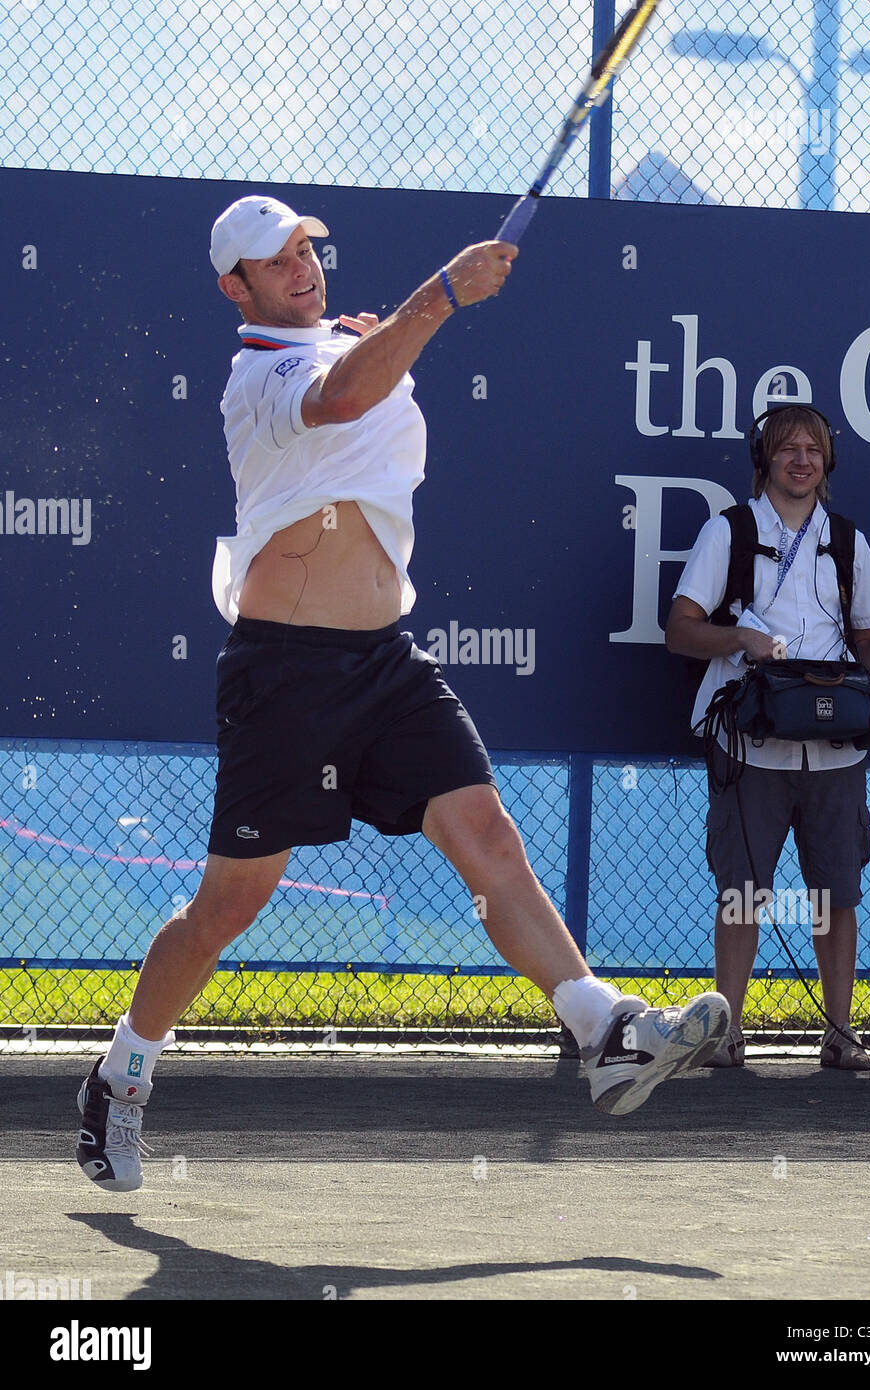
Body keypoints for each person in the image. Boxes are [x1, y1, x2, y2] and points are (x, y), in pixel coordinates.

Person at [76, 195, 728, 1191]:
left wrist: (395, 332)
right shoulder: (261, 374)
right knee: (227, 906)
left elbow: (360, 394)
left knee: (488, 837)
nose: (300, 265)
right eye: (273, 259)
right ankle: (121, 1075)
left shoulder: (348, 345)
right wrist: (442, 297)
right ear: (233, 287)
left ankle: (606, 1031)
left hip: (384, 662)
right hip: (283, 674)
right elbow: (335, 399)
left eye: (304, 247)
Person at [665, 404, 870, 1070]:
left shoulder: (846, 539)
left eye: (812, 448)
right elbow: (680, 628)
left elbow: (867, 637)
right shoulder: (728, 533)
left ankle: (839, 1032)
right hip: (749, 742)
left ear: (826, 461)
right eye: (786, 450)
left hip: (835, 744)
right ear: (764, 460)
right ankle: (726, 1032)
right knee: (742, 892)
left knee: (836, 892)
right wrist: (740, 639)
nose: (800, 459)